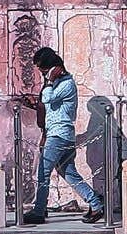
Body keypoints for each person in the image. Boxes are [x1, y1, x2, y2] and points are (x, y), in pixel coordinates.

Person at [24, 46, 104, 224]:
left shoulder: (66, 84)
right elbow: (49, 107)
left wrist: (50, 81)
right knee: (68, 173)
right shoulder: (59, 84)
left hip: (59, 136)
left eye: (43, 69)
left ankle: (39, 211)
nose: (42, 73)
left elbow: (47, 99)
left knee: (43, 173)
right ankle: (95, 204)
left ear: (52, 67)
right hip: (60, 134)